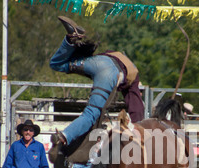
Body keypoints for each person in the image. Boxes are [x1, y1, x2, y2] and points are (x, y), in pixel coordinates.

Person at [48, 16, 145, 159]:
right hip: (110, 73)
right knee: (91, 113)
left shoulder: (118, 55)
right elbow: (137, 108)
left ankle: (71, 38)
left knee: (56, 64)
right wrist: (139, 131)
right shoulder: (134, 79)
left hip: (98, 62)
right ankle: (63, 137)